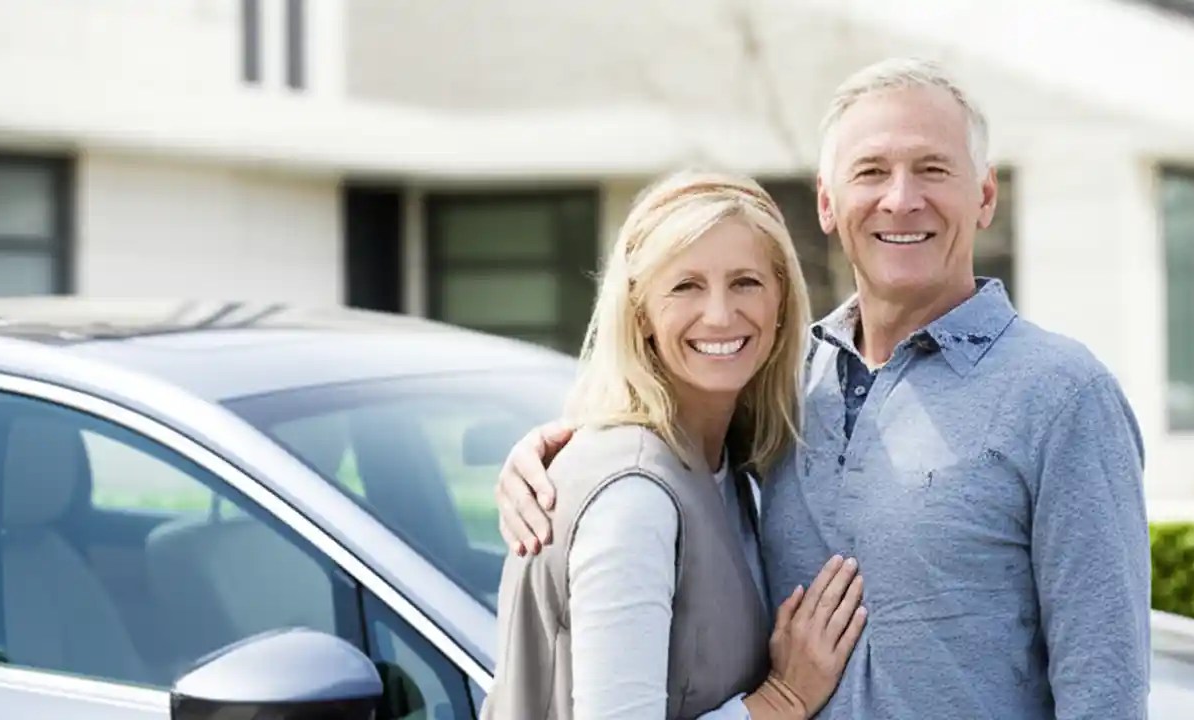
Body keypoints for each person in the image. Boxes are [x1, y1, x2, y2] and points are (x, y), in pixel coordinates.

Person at [495, 58, 1151, 719]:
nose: (900, 199)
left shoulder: (1065, 397)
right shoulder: (781, 380)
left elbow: (1106, 693)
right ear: (827, 204)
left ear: (984, 197)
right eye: (871, 172)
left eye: (933, 169)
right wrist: (553, 455)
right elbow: (666, 444)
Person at [481, 171, 868, 720]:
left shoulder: (732, 461)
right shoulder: (633, 497)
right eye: (686, 285)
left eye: (746, 282)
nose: (719, 314)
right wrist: (784, 700)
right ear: (639, 311)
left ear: (781, 301)